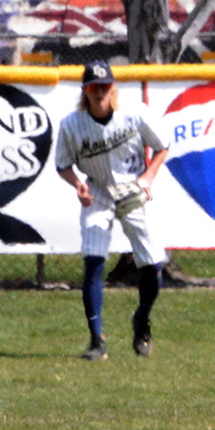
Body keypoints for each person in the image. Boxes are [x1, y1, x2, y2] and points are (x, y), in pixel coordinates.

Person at [54, 60, 170, 360]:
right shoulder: (72, 125)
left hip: (132, 188)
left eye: (105, 86)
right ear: (85, 90)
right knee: (93, 260)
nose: (100, 91)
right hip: (98, 191)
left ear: (113, 87)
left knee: (153, 266)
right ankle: (97, 341)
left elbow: (163, 146)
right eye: (94, 86)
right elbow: (63, 165)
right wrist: (77, 184)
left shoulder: (133, 113)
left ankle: (141, 319)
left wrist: (148, 177)